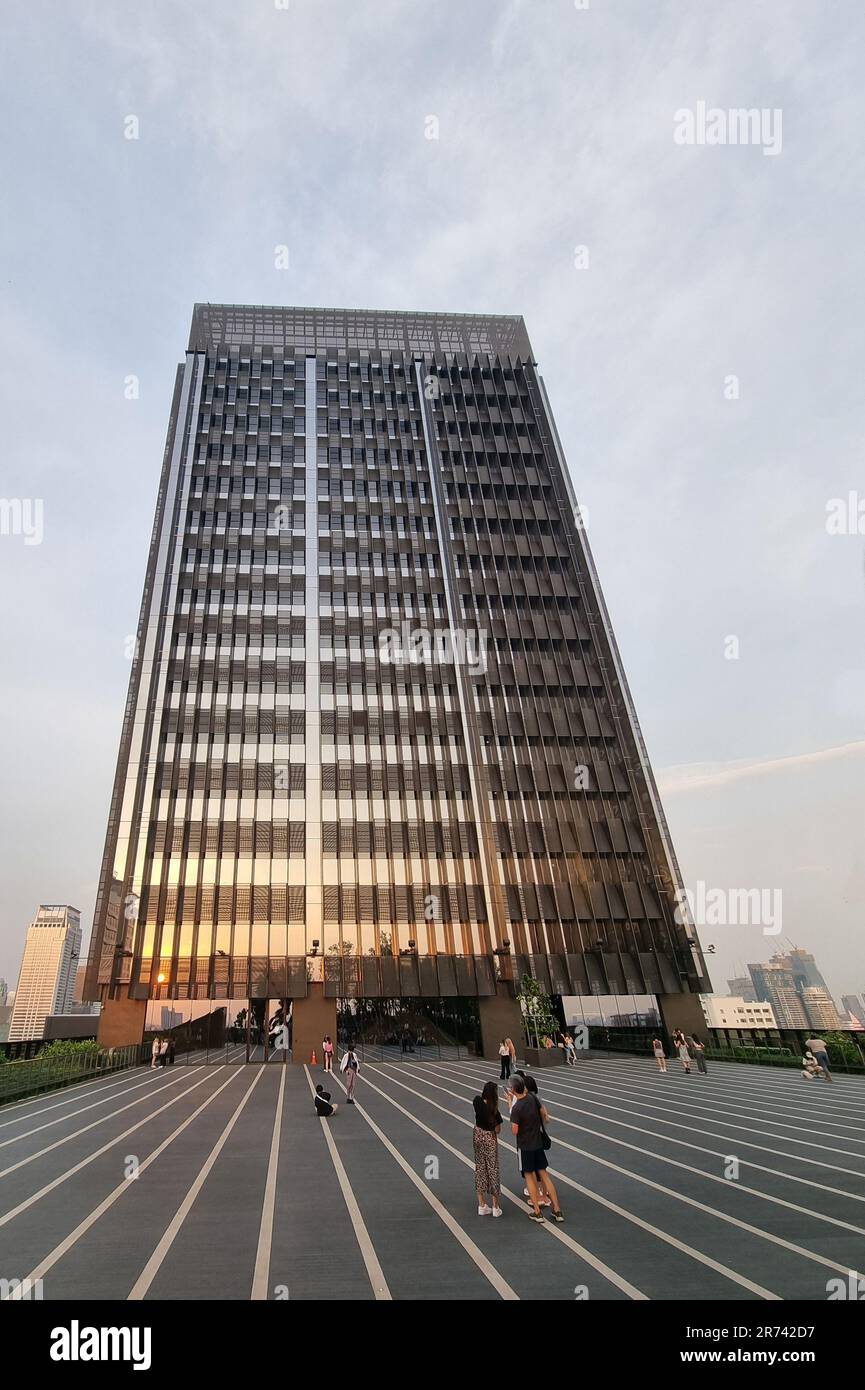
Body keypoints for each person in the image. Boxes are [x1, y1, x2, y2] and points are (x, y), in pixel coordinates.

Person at [509, 1075, 563, 1223]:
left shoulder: (516, 1108)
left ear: (513, 1090)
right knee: (545, 1176)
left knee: (529, 1178)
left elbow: (514, 1130)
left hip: (525, 1146)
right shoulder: (533, 1098)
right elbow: (543, 1114)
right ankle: (557, 1210)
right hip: (538, 1143)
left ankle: (537, 1213)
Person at [472, 1081, 504, 1216]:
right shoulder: (494, 1111)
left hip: (478, 1135)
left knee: (480, 1168)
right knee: (493, 1169)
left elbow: (477, 1105)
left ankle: (481, 1205)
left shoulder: (477, 1101)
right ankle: (495, 1207)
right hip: (490, 1138)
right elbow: (498, 1130)